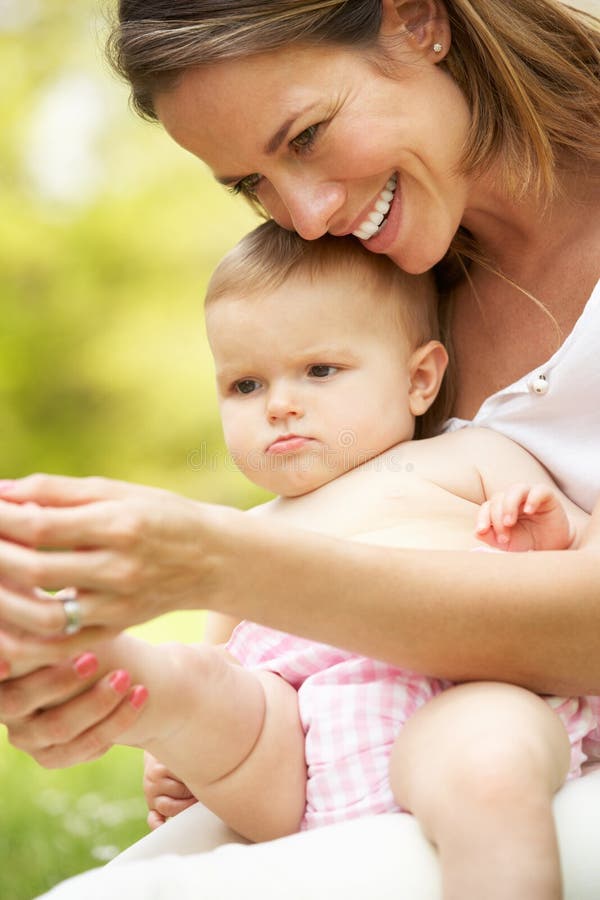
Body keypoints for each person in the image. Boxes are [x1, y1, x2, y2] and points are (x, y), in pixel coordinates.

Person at [0, 0, 598, 896]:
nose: (307, 216)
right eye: (251, 183)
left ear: (417, 21)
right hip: (333, 752)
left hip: (506, 746)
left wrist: (214, 559)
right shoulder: (385, 295)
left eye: (309, 135)